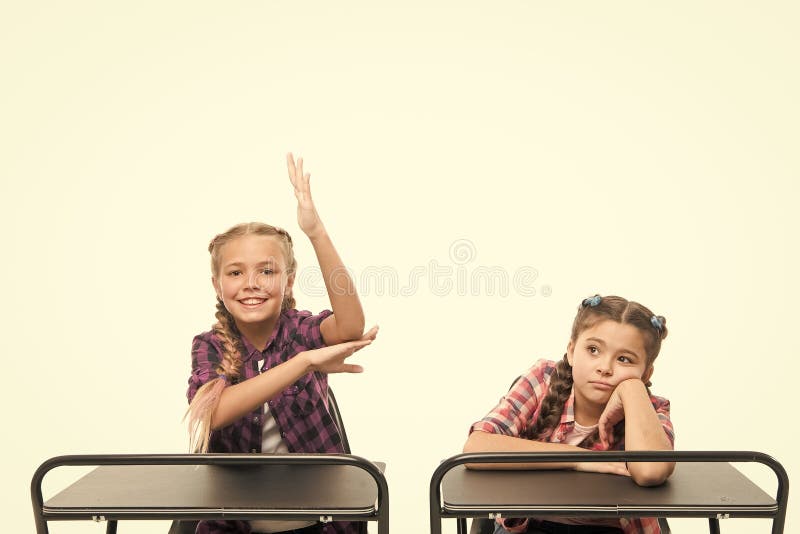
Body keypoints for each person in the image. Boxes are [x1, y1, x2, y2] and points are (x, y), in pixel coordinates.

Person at [186, 154, 376, 534]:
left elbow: (352, 323)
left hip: (320, 524)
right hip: (233, 525)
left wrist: (316, 231)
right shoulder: (209, 346)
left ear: (288, 282)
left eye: (267, 271)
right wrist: (302, 364)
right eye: (236, 272)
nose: (251, 283)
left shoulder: (299, 331)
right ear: (217, 285)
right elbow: (213, 413)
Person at [464, 295, 674, 534]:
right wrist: (578, 458)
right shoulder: (543, 378)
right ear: (572, 351)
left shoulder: (652, 407)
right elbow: (476, 449)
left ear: (646, 373)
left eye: (624, 359)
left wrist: (632, 388)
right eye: (593, 350)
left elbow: (651, 472)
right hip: (531, 525)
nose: (605, 367)